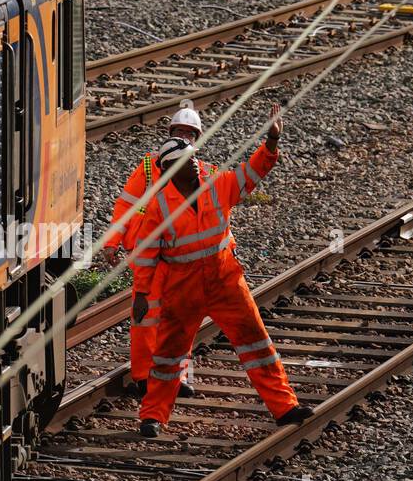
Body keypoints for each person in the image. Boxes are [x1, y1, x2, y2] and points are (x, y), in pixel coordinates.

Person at [129, 111, 313, 437]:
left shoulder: (216, 182)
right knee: (169, 356)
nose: (186, 168)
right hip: (183, 287)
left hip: (225, 279)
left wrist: (271, 140)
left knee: (255, 342)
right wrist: (142, 294)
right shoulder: (161, 204)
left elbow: (253, 172)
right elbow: (146, 254)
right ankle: (152, 417)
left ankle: (285, 408)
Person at [102, 107, 208, 398]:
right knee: (145, 319)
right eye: (180, 132)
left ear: (197, 139)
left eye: (189, 133)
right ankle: (144, 378)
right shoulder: (149, 167)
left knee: (180, 319)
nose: (184, 137)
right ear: (170, 134)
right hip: (147, 254)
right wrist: (112, 242)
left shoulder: (202, 172)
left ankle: (178, 377)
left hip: (182, 257)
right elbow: (125, 205)